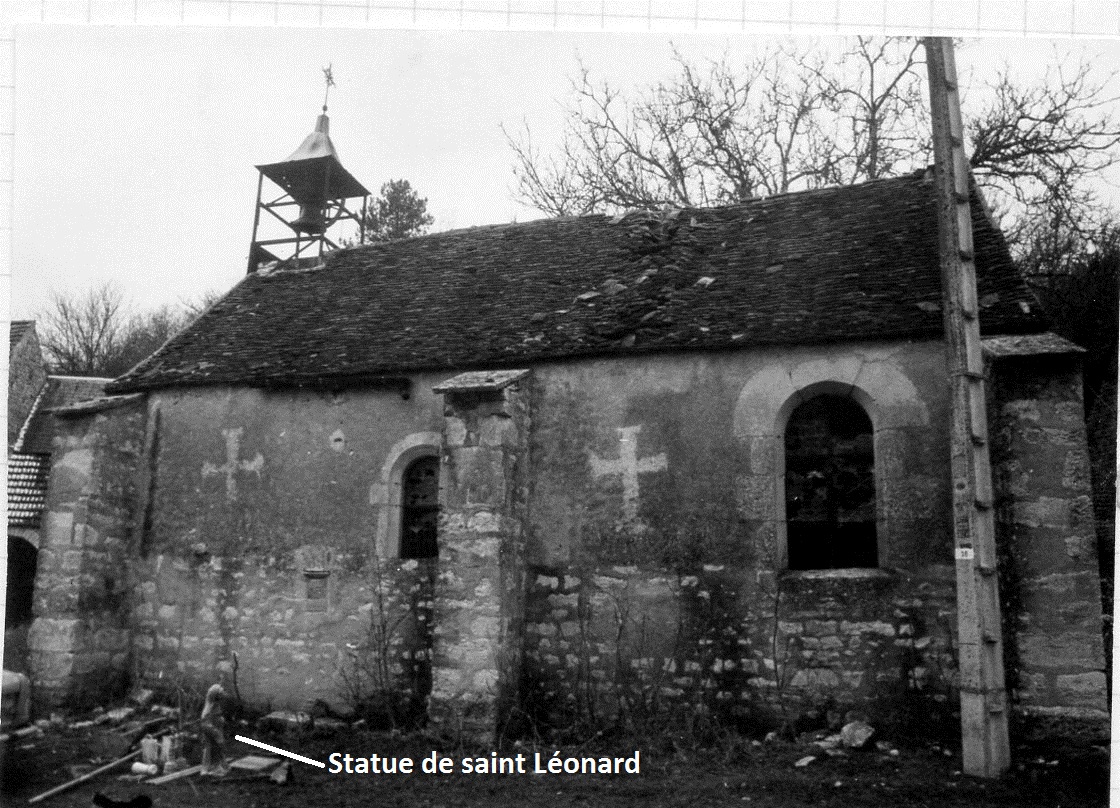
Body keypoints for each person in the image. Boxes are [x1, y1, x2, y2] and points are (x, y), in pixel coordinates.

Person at [199, 683, 229, 776]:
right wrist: (215, 732)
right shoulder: (210, 707)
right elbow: (205, 721)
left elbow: (217, 716)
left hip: (217, 730)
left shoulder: (216, 706)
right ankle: (211, 768)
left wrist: (221, 721)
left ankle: (219, 766)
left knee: (218, 749)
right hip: (212, 731)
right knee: (211, 749)